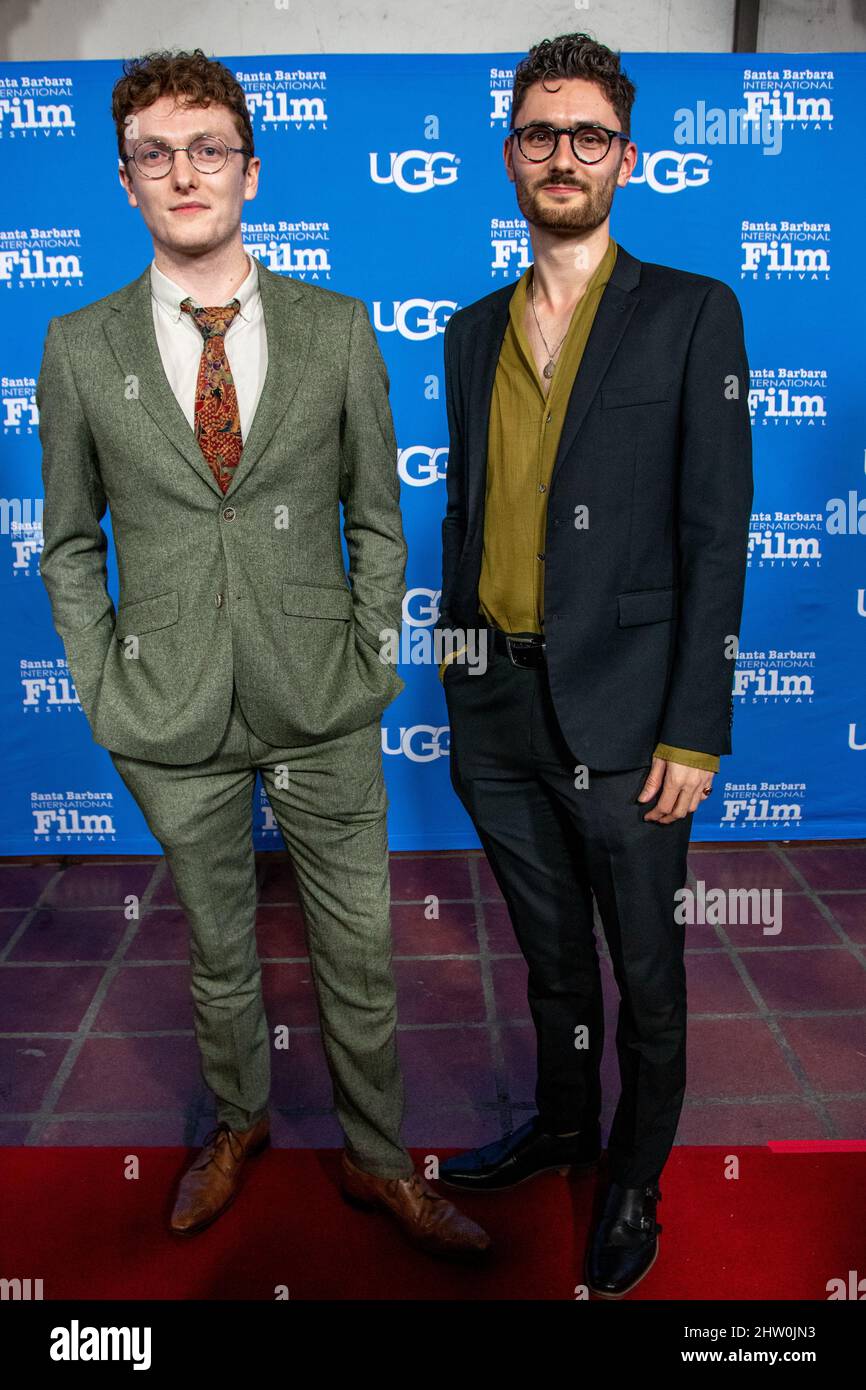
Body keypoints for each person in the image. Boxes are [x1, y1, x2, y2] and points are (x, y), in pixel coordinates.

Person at [36, 47, 489, 1261]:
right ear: (124, 181)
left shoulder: (336, 329)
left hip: (323, 698)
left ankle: (379, 1161)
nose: (183, 172)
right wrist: (100, 684)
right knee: (220, 953)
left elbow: (382, 520)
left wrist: (365, 660)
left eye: (207, 148)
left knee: (359, 950)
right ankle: (239, 1125)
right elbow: (68, 543)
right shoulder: (78, 348)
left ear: (251, 168)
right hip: (167, 707)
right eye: (154, 153)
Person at [435, 32, 752, 1296]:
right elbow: (467, 517)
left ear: (626, 157)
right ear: (508, 152)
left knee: (648, 972)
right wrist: (462, 677)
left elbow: (711, 536)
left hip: (629, 717)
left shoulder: (690, 311)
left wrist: (693, 727)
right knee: (550, 957)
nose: (559, 154)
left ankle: (632, 1178)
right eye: (537, 133)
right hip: (497, 707)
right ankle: (564, 1126)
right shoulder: (468, 333)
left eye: (586, 135)